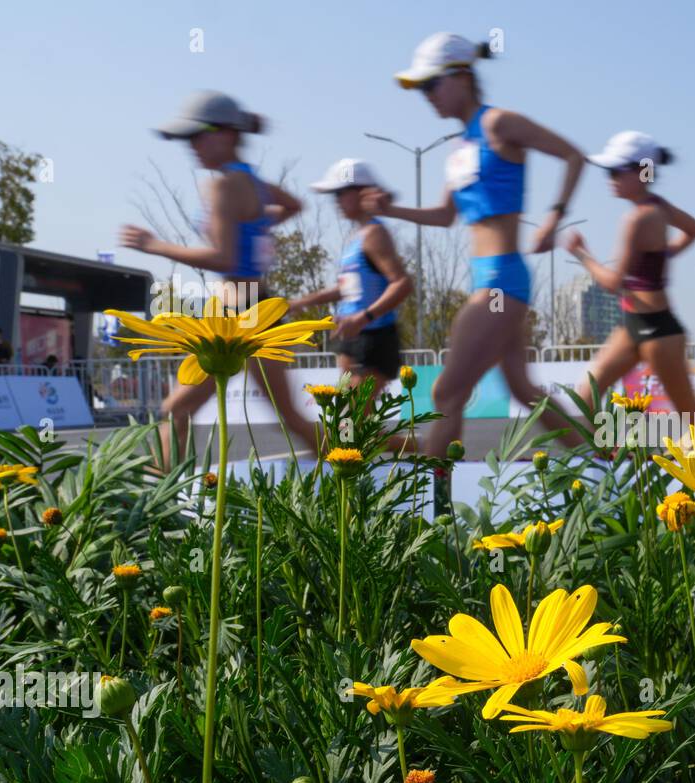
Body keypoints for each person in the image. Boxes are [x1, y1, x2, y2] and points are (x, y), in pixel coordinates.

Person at [365, 33, 584, 458]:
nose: (426, 96)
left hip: (501, 281)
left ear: (463, 76)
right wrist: (390, 209)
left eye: (431, 85)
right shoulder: (461, 146)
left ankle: (435, 502)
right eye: (420, 89)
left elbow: (574, 155)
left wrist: (555, 214)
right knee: (523, 389)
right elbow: (445, 217)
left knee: (447, 391)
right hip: (489, 279)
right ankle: (602, 462)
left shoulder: (499, 123)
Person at [119, 90, 320, 467]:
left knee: (177, 409)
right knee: (286, 415)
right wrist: (257, 227)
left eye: (197, 136)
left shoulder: (224, 184)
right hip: (254, 306)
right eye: (187, 139)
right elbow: (294, 205)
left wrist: (153, 245)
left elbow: (223, 257)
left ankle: (155, 502)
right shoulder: (252, 182)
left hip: (240, 310)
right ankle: (363, 456)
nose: (191, 146)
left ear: (226, 133)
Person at [565, 131, 695, 450]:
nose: (610, 179)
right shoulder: (659, 207)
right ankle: (607, 464)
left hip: (659, 330)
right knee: (585, 395)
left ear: (641, 171)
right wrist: (665, 254)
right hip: (634, 324)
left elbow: (613, 282)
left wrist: (582, 254)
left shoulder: (638, 218)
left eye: (616, 172)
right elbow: (694, 230)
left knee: (689, 413)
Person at [288, 159, 411, 407]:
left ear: (361, 192)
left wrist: (363, 317)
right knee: (349, 424)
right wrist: (303, 301)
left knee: (350, 422)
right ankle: (427, 446)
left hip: (375, 338)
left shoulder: (376, 234)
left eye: (340, 193)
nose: (336, 201)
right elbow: (348, 288)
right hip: (350, 337)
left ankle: (430, 446)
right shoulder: (356, 237)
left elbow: (402, 284)